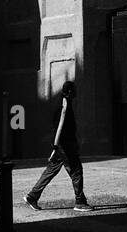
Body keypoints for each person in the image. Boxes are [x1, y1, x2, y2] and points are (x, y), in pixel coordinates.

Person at [25, 81, 92, 211]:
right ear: (70, 91)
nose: (77, 92)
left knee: (51, 170)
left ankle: (32, 196)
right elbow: (60, 124)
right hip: (65, 145)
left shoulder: (63, 102)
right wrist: (56, 147)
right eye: (75, 89)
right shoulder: (65, 103)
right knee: (76, 171)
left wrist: (56, 147)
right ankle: (80, 202)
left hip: (61, 144)